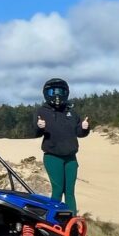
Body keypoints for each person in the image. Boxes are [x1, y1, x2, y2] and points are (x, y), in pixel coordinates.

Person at [33, 78, 90, 212]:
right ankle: (53, 220)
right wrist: (39, 126)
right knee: (58, 190)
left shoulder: (71, 112)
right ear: (46, 93)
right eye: (53, 92)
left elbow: (79, 133)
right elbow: (35, 133)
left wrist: (84, 128)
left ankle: (72, 220)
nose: (57, 95)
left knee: (69, 192)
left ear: (66, 93)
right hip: (53, 157)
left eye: (60, 91)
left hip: (70, 158)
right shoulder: (42, 112)